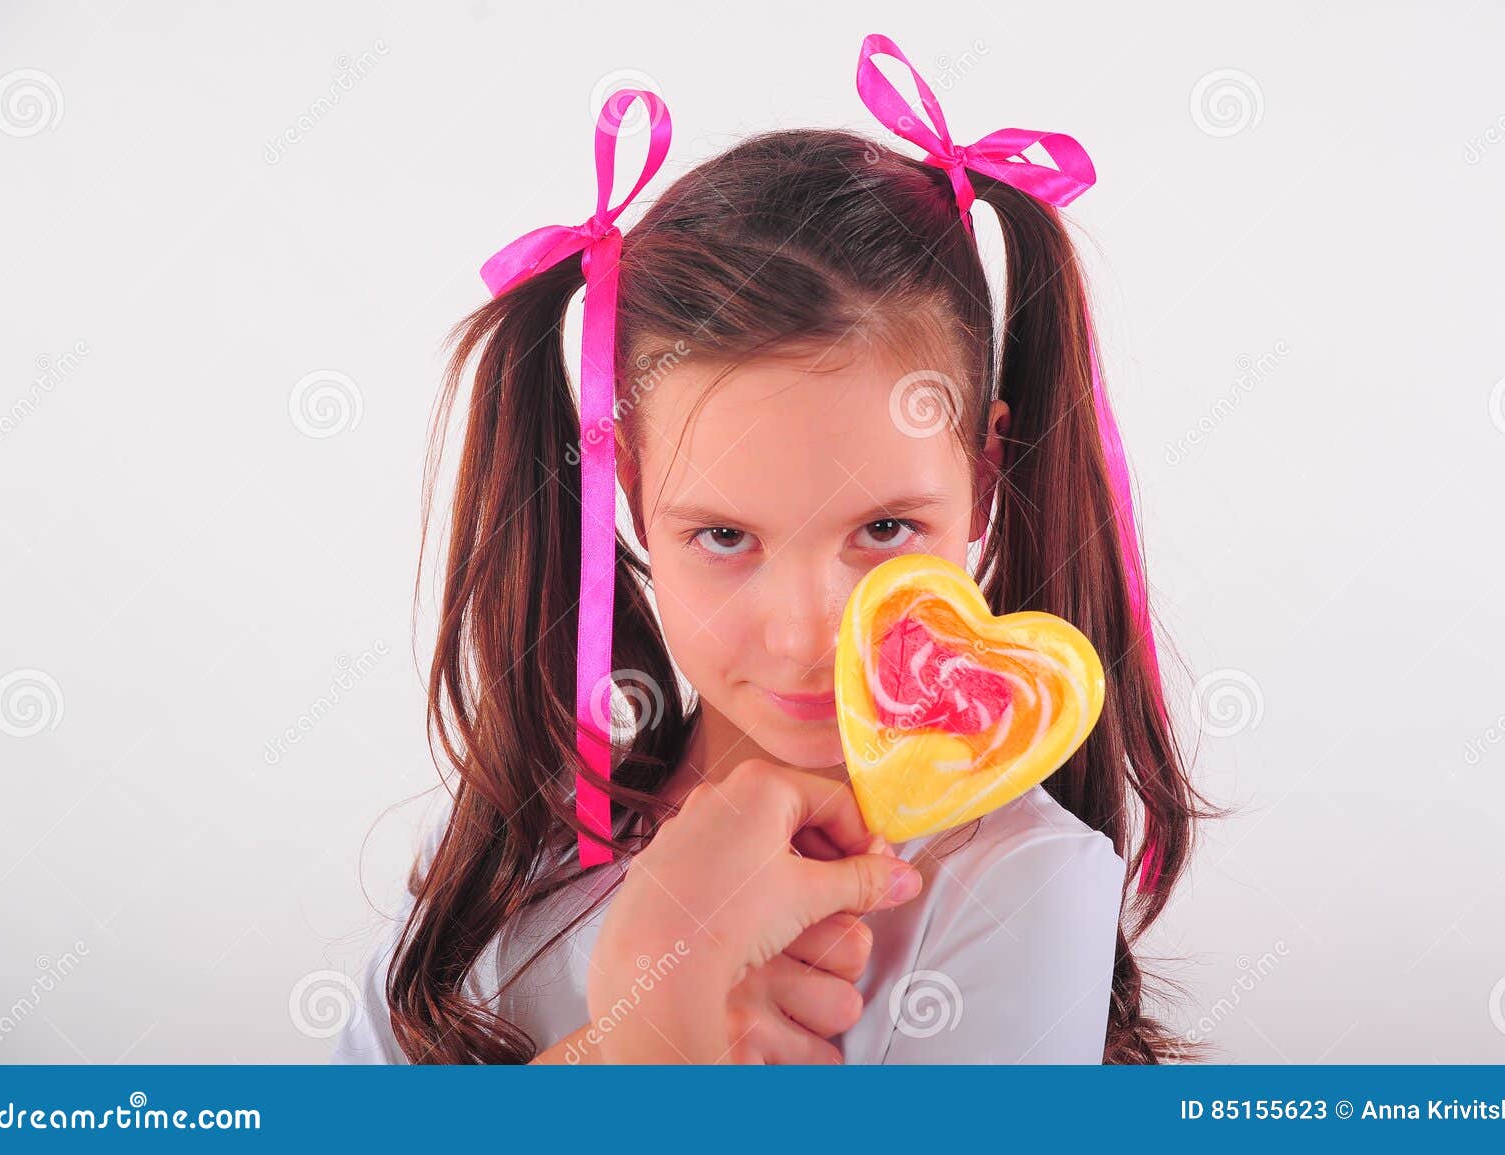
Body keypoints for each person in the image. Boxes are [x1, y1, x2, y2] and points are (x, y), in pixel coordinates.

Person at [333, 34, 1217, 1066]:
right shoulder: (505, 847)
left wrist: (652, 1049)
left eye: (885, 530)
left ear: (984, 476)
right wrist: (633, 1041)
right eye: (722, 537)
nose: (807, 632)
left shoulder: (1018, 884)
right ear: (629, 503)